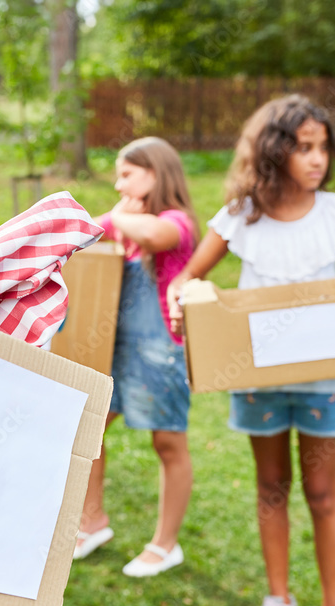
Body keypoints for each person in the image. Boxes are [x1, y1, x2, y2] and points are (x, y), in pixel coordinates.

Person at [167, 95, 335, 606]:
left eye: (323, 148)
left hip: (327, 380)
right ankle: (278, 601)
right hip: (258, 379)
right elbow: (190, 278)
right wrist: (186, 303)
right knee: (271, 490)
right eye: (303, 147)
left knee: (321, 493)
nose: (317, 159)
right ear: (273, 150)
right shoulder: (241, 217)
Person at [75, 137, 199, 577]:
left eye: (126, 174)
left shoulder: (175, 222)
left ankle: (166, 545)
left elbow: (150, 233)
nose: (118, 183)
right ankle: (92, 522)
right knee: (89, 430)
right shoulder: (126, 221)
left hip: (161, 350)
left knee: (168, 443)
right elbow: (84, 233)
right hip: (116, 346)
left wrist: (121, 215)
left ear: (155, 174)